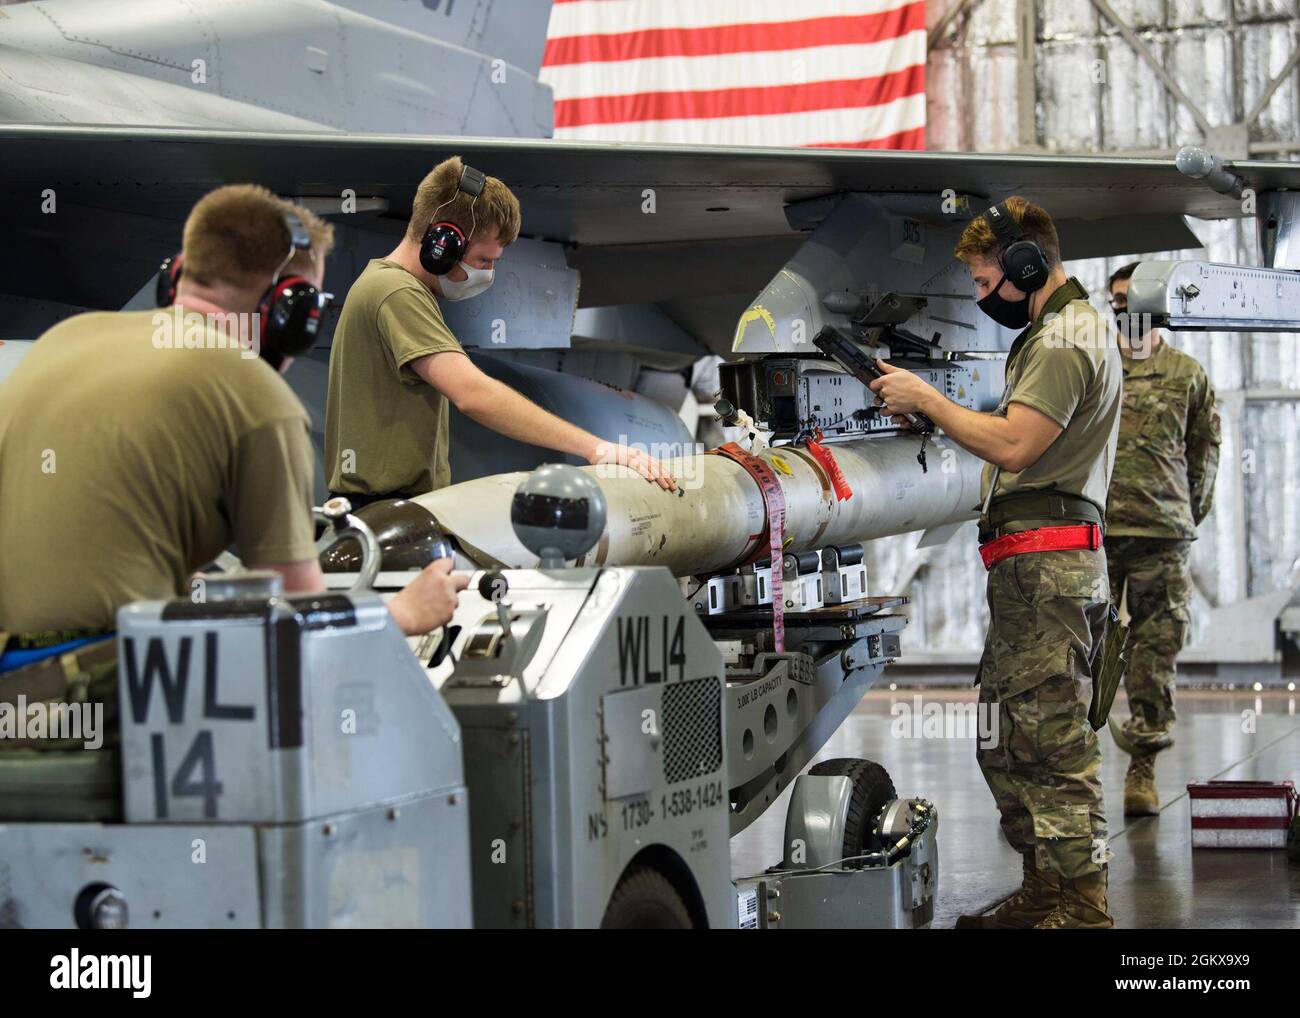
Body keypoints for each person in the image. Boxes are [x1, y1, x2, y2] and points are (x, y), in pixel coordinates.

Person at [0, 184, 466, 818]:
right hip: (90, 703)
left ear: (176, 280)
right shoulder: (253, 395)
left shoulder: (63, 340)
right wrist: (405, 615)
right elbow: (298, 629)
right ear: (287, 307)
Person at [867, 197, 1122, 929]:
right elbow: (1013, 439)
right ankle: (1048, 891)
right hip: (1027, 572)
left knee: (1052, 749)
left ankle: (1085, 908)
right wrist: (933, 413)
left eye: (986, 283)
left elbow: (1015, 446)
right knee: (1007, 744)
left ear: (1026, 264)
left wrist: (929, 400)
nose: (982, 299)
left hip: (1048, 571)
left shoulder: (1066, 338)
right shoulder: (1057, 332)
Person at [324, 155, 675, 506]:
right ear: (442, 243)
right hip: (381, 510)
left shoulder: (387, 286)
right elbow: (474, 395)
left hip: (390, 507)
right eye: (483, 260)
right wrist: (595, 448)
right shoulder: (397, 293)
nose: (488, 274)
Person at [1105, 262, 1221, 815]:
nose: (1123, 308)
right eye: (1116, 300)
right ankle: (1066, 776)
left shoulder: (1187, 374)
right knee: (1076, 653)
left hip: (1161, 535)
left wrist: (1185, 515)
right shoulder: (1095, 368)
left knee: (1155, 654)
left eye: (1131, 298)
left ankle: (1142, 768)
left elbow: (1205, 454)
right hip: (1094, 533)